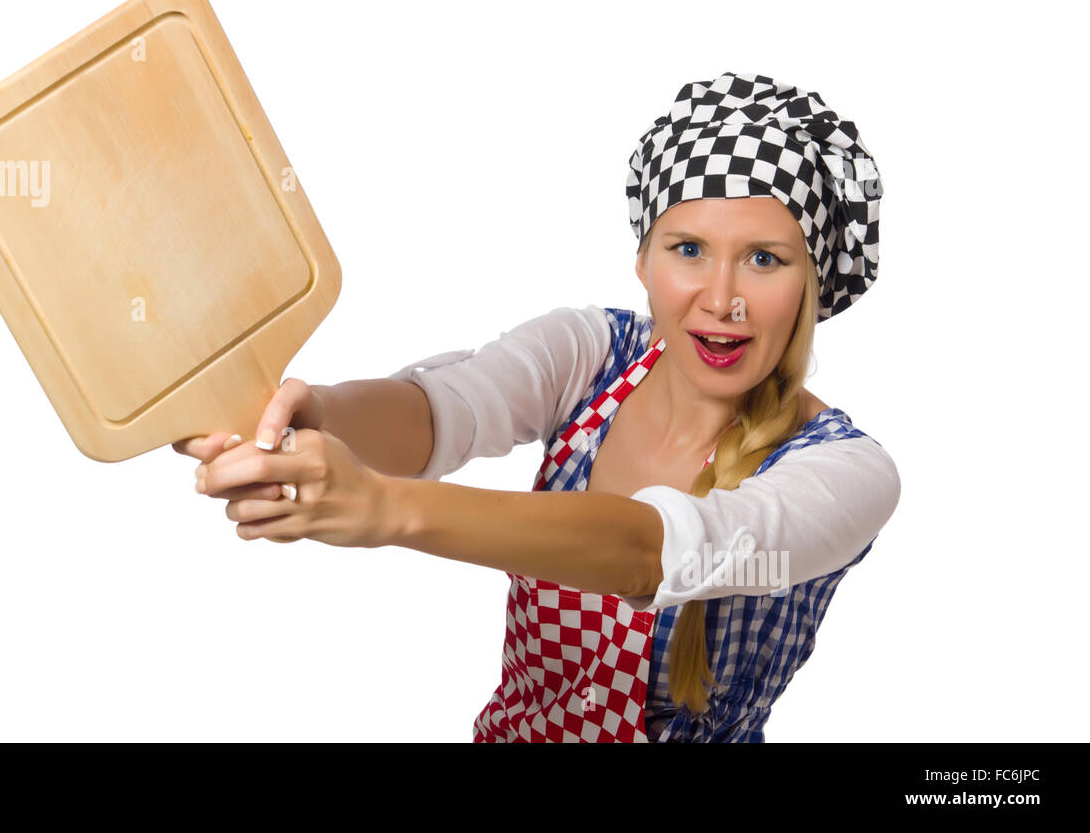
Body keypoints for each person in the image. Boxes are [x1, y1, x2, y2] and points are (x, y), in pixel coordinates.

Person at [176, 71, 901, 742]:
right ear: (643, 261)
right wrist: (315, 415)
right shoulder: (592, 353)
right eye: (688, 249)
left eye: (764, 259)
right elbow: (442, 410)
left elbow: (651, 552)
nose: (721, 297)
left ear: (811, 282)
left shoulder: (847, 472)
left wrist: (385, 509)